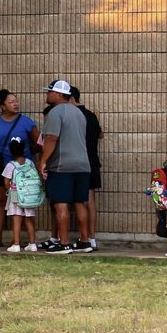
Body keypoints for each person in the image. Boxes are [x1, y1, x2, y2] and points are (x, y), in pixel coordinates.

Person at [36, 80, 91, 253]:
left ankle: (64, 242)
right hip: (83, 164)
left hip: (62, 165)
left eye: (49, 92)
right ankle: (84, 241)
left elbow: (52, 138)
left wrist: (43, 161)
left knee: (61, 203)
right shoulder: (79, 113)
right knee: (80, 202)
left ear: (58, 94)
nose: (47, 94)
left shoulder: (55, 112)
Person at [0, 90, 38, 248]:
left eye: (16, 101)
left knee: (24, 202)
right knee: (0, 201)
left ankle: (26, 240)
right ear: (2, 106)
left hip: (22, 169)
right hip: (0, 165)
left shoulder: (27, 122)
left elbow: (37, 143)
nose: (15, 104)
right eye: (11, 102)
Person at [72, 85, 104, 250]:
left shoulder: (73, 115)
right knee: (90, 200)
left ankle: (83, 237)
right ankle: (91, 237)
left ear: (71, 98)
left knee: (81, 200)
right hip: (93, 161)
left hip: (79, 162)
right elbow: (100, 134)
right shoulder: (91, 115)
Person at [3, 136, 42, 252]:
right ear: (24, 149)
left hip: (16, 197)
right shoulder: (30, 163)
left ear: (10, 150)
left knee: (17, 220)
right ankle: (32, 243)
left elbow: (6, 181)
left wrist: (10, 191)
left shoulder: (11, 165)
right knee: (29, 220)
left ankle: (16, 244)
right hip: (29, 196)